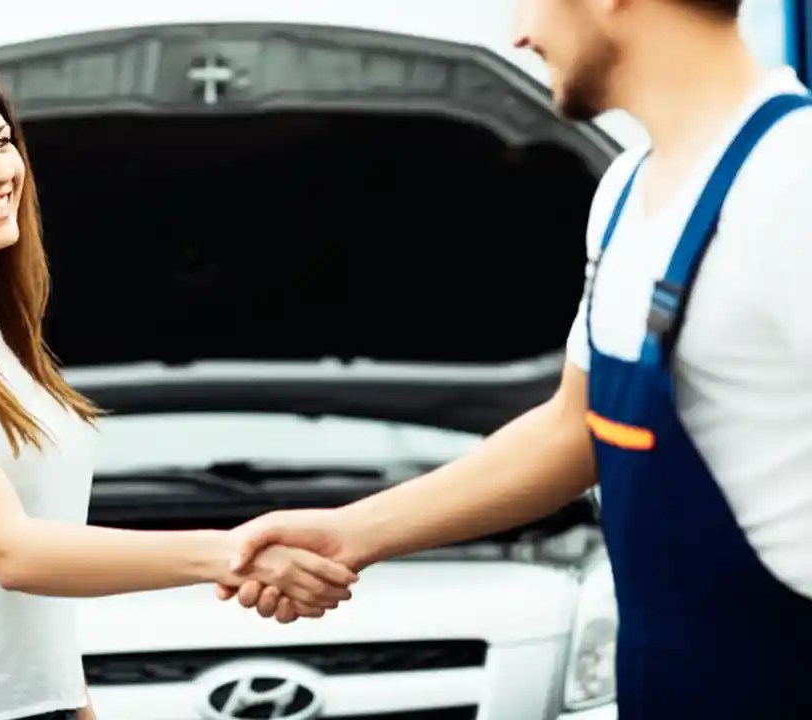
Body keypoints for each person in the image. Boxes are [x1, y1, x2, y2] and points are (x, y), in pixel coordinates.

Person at [221, 1, 812, 717]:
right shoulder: (628, 191)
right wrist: (353, 532)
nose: (519, 33)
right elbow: (576, 427)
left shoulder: (793, 187)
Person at [0, 60, 357, 720]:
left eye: (3, 143)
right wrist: (233, 555)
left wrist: (76, 705)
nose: (0, 171)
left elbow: (35, 591)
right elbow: (11, 552)